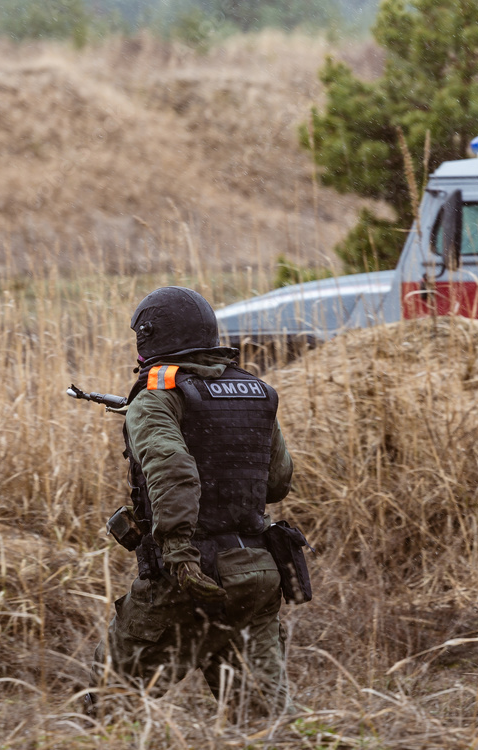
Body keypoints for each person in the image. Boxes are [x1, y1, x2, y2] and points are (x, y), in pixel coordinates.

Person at [87, 286, 295, 719]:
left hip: (192, 572)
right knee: (262, 722)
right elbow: (276, 483)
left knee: (112, 705)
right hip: (257, 568)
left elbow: (172, 471)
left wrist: (180, 553)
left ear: (149, 339)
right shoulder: (257, 391)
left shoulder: (156, 398)